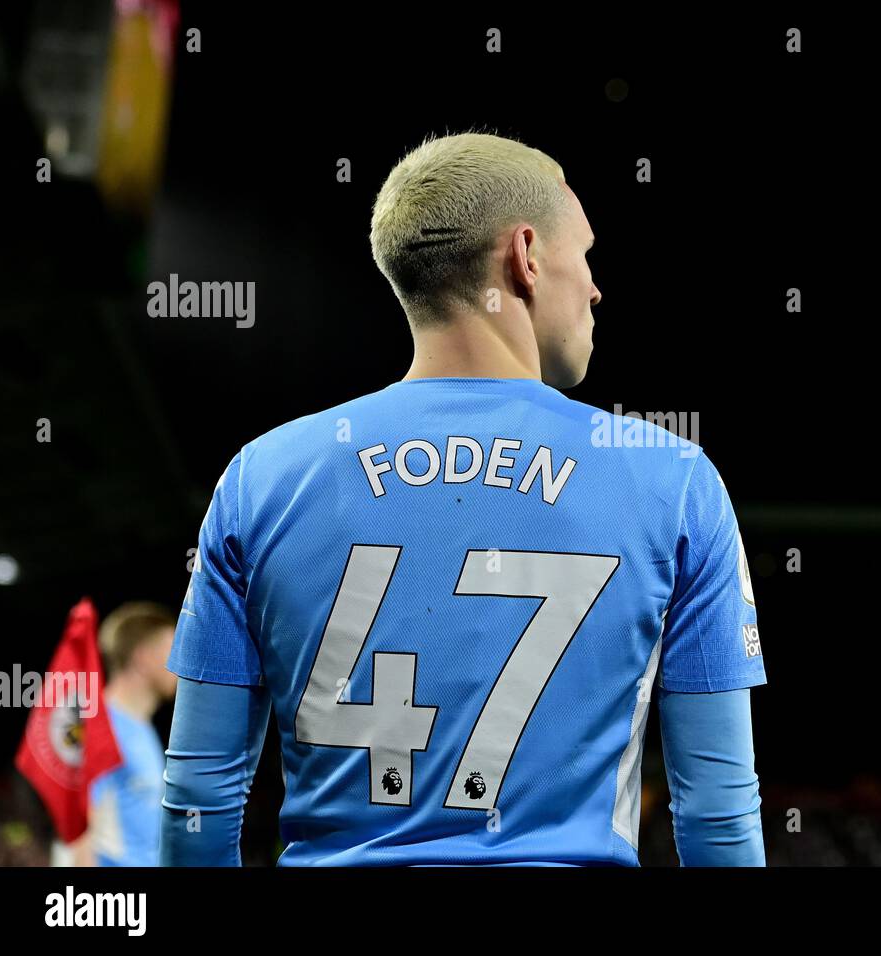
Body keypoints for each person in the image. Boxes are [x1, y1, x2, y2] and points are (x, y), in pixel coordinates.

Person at [160, 131, 767, 866]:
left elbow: (200, 796)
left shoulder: (261, 476)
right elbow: (716, 809)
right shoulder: (672, 480)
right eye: (586, 254)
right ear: (527, 256)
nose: (597, 287)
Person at [71, 602, 176, 866]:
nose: (180, 662)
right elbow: (79, 836)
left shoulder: (141, 728)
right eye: (172, 649)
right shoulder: (102, 727)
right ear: (142, 657)